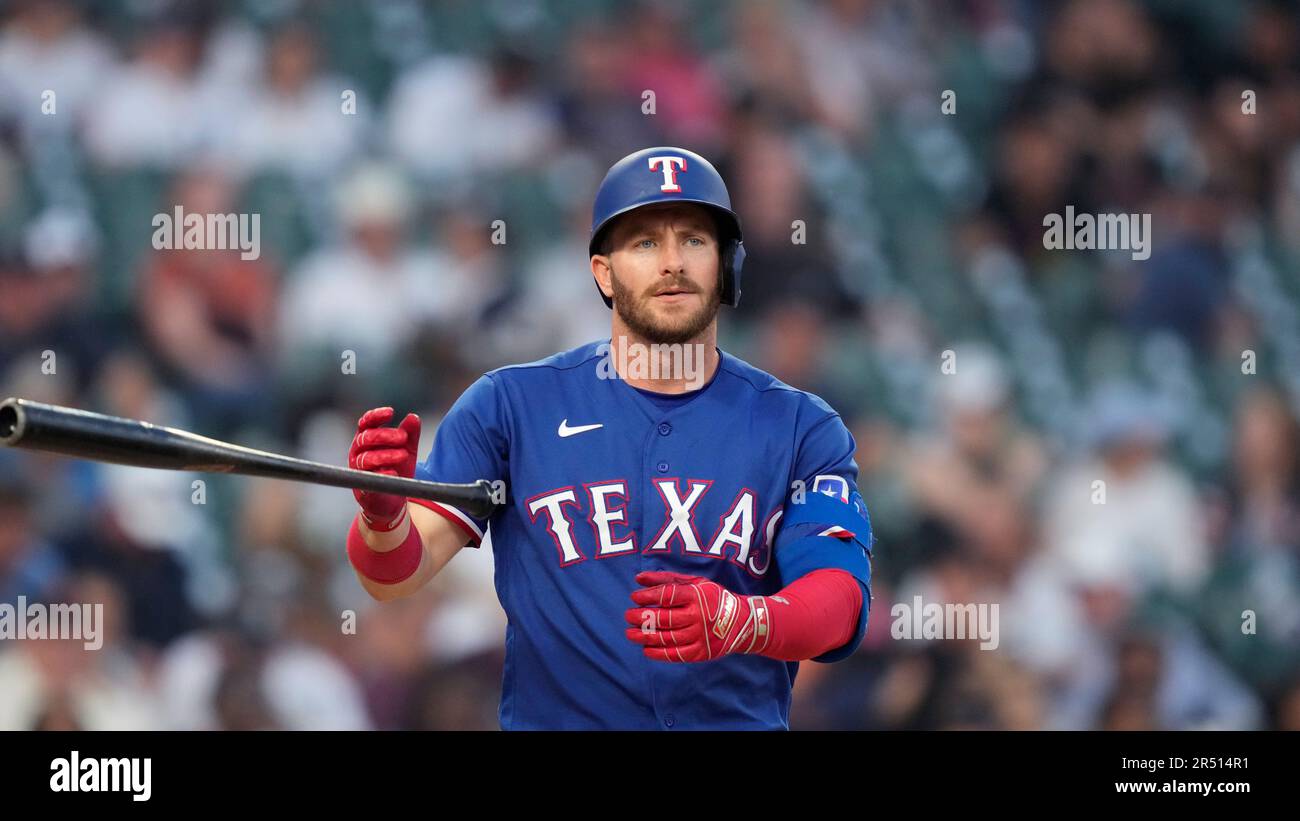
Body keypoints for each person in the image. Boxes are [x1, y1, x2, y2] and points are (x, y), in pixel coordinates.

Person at [343, 147, 874, 730]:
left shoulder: (801, 425)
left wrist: (744, 619)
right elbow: (391, 577)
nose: (672, 262)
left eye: (694, 240)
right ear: (603, 271)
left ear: (726, 263)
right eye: (645, 242)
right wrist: (383, 518)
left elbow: (840, 605)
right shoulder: (510, 406)